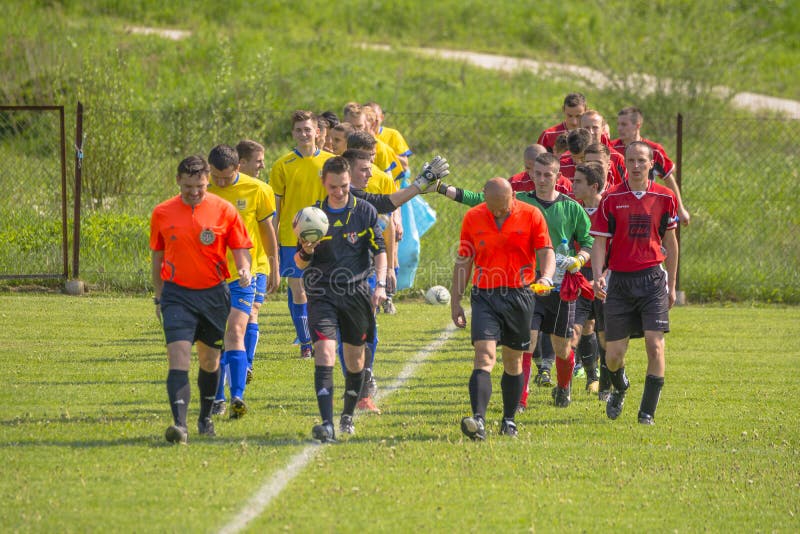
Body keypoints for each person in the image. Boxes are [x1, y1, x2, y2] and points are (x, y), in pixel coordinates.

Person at [434, 153, 593, 408]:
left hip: (559, 285)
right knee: (527, 342)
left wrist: (580, 259)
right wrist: (444, 189)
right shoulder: (518, 203)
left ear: (558, 176)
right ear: (531, 174)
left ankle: (563, 386)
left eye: (547, 175)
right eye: (537, 174)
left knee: (562, 347)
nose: (541, 179)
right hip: (526, 285)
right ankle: (520, 400)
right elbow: (481, 200)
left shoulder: (571, 207)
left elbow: (588, 241)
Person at [150, 155, 252, 444]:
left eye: (200, 186)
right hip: (177, 295)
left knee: (209, 360)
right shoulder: (162, 212)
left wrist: (244, 268)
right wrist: (159, 295)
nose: (194, 192)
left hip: (213, 295)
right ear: (178, 181)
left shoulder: (225, 210)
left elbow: (240, 247)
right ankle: (179, 426)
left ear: (208, 182)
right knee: (178, 356)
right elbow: (157, 256)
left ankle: (205, 418)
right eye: (188, 187)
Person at [453, 178, 554, 440]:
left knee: (513, 360)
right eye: (493, 208)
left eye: (504, 207)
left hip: (520, 295)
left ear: (513, 197)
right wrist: (455, 300)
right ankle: (478, 420)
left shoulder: (532, 214)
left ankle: (508, 420)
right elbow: (464, 260)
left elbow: (546, 251)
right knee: (484, 356)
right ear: (484, 198)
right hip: (485, 295)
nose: (498, 212)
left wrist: (546, 277)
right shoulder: (473, 217)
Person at [296, 156, 388, 443]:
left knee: (354, 359)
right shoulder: (312, 216)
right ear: (323, 182)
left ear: (350, 182)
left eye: (344, 186)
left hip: (356, 292)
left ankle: (347, 415)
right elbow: (299, 263)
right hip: (322, 292)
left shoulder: (364, 211)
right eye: (333, 186)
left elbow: (380, 250)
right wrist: (307, 251)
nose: (339, 192)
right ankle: (327, 424)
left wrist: (380, 285)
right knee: (324, 352)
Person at [590, 141, 679, 425]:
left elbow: (671, 243)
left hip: (652, 280)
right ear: (624, 164)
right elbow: (599, 243)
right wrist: (597, 275)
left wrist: (672, 285)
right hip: (619, 282)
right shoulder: (611, 198)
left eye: (642, 160)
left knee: (655, 345)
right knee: (613, 356)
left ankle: (646, 413)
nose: (636, 165)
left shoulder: (665, 197)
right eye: (631, 160)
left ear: (651, 163)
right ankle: (619, 387)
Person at [207, 144, 278, 419]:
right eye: (216, 177)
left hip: (247, 272)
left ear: (238, 168)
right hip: (211, 275)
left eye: (226, 177)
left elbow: (266, 230)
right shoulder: (202, 190)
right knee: (215, 337)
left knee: (237, 328)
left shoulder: (258, 189)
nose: (221, 183)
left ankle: (237, 395)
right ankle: (218, 398)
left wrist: (274, 265)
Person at [270, 110, 334, 359]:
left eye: (308, 129)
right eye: (299, 130)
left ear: (317, 131)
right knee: (299, 291)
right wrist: (273, 240)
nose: (304, 134)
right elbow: (276, 208)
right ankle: (307, 343)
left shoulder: (330, 162)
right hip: (291, 239)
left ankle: (322, 336)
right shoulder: (282, 165)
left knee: (323, 291)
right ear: (293, 133)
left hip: (325, 237)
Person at [235, 140, 278, 386]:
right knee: (235, 319)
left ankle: (247, 365)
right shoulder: (217, 189)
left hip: (258, 263)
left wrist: (273, 263)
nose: (262, 165)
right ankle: (235, 360)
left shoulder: (263, 189)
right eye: (258, 161)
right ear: (241, 163)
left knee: (252, 311)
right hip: (229, 265)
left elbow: (269, 229)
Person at [612, 106, 690, 225]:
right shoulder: (611, 149)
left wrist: (680, 209)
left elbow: (668, 178)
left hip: (646, 206)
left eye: (624, 124)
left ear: (637, 125)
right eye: (618, 124)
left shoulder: (654, 150)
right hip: (619, 206)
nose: (619, 128)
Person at [569, 162, 608, 396]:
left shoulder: (608, 209)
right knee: (578, 329)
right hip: (579, 276)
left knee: (603, 332)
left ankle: (606, 383)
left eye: (578, 182)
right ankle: (591, 376)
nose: (572, 185)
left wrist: (603, 276)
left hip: (604, 276)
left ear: (593, 186)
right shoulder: (574, 209)